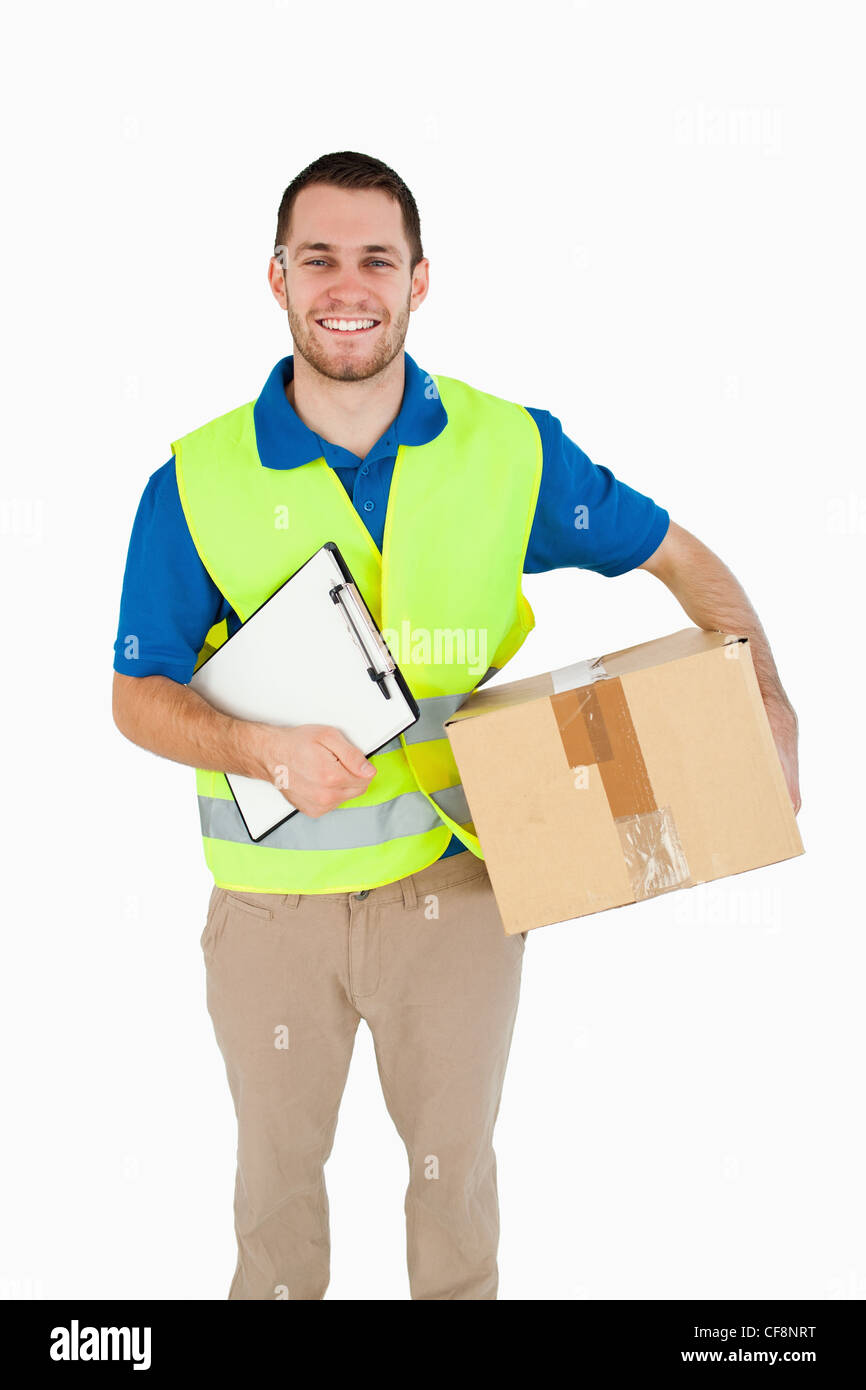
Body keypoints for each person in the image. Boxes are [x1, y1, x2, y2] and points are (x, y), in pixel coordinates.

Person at [112, 150, 800, 1301]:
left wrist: (766, 700)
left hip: (461, 897)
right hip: (272, 910)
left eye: (376, 258)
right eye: (318, 257)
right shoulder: (192, 481)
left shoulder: (509, 450)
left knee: (454, 1201)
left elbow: (677, 555)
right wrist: (258, 748)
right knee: (274, 1206)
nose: (347, 284)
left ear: (419, 280)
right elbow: (136, 696)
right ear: (274, 277)